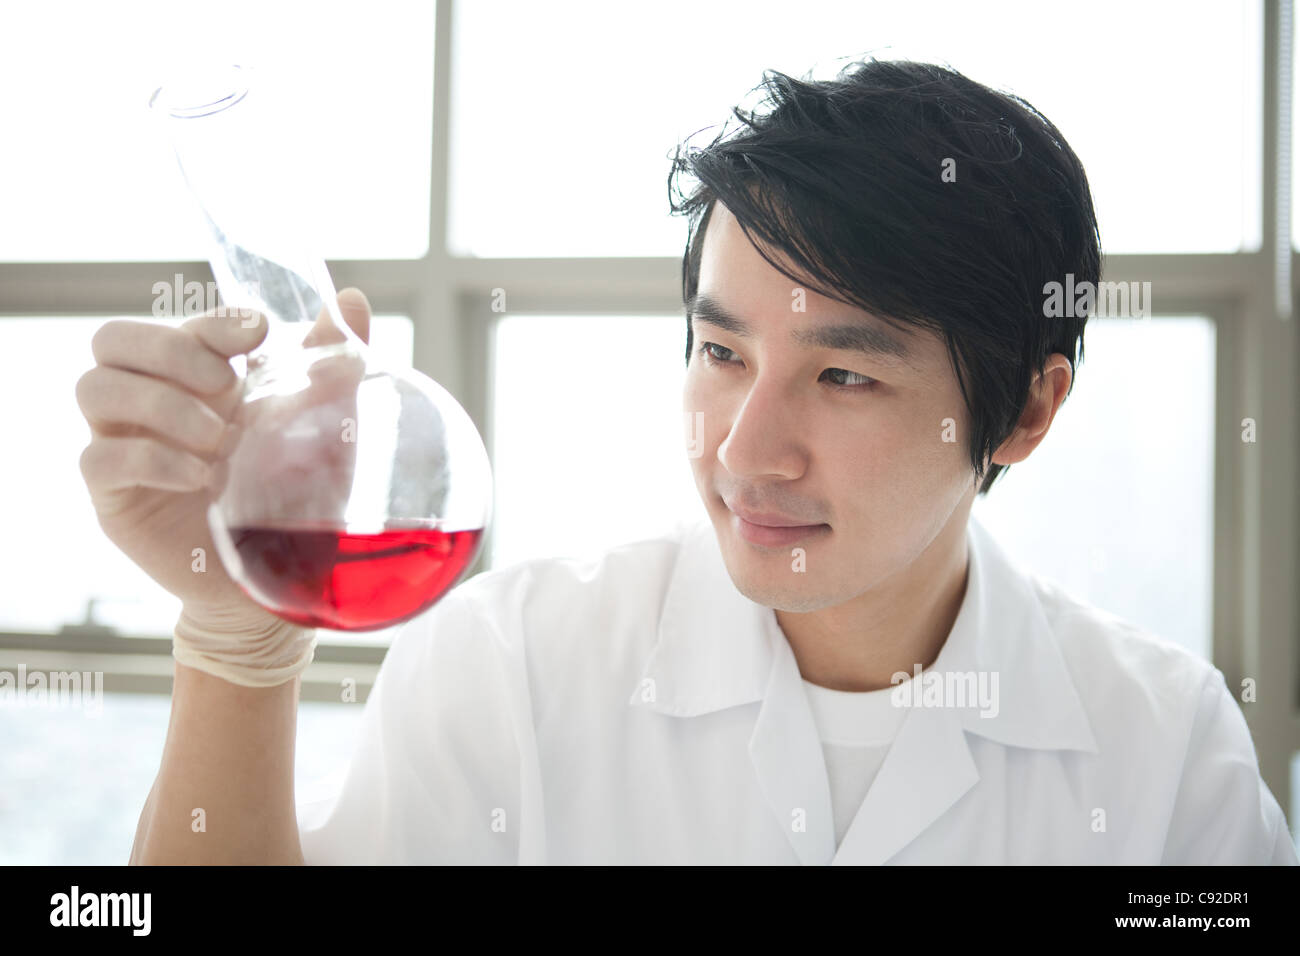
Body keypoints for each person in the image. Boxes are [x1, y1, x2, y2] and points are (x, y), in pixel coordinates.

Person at [78, 59, 1296, 864]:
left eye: (845, 374)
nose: (744, 448)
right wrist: (235, 644)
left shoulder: (1162, 753)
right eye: (720, 350)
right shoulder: (513, 669)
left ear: (1025, 411)